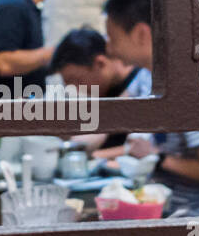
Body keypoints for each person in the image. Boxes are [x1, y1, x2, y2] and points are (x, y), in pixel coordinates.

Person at [103, 0, 199, 213]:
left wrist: (158, 157)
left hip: (189, 216)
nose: (109, 49)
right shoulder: (146, 77)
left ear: (141, 34)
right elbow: (109, 116)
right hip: (156, 209)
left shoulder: (186, 83)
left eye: (113, 39)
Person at [50, 26, 148, 154]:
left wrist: (97, 157)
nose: (74, 89)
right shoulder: (103, 92)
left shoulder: (142, 84)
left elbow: (144, 149)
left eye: (76, 80)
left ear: (100, 63)